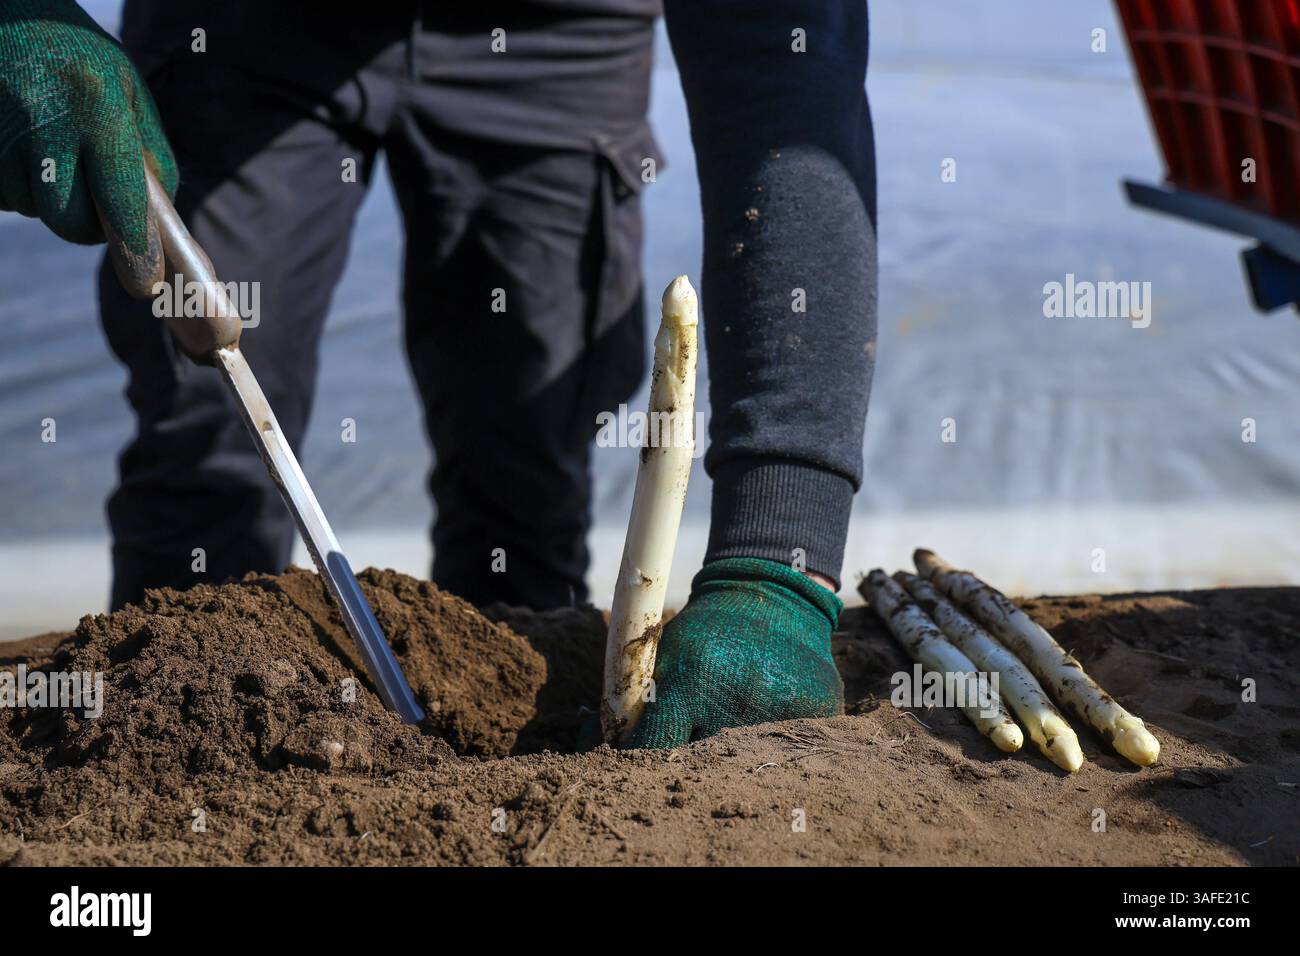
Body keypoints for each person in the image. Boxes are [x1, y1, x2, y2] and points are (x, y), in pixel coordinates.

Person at [0, 0, 877, 748]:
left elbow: (786, 68)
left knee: (524, 476)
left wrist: (776, 559)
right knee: (207, 455)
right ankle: (169, 754)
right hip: (245, 25)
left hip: (553, 33)